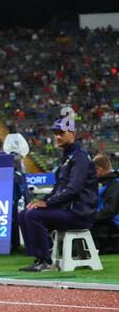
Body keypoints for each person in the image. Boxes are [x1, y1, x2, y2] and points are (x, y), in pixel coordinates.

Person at [19, 110, 98, 271]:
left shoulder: (80, 158)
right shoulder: (67, 158)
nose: (57, 136)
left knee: (33, 215)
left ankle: (46, 262)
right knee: (24, 214)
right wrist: (40, 201)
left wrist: (46, 203)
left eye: (61, 133)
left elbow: (73, 190)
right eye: (55, 133)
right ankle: (42, 256)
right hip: (68, 210)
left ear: (72, 133)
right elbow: (58, 189)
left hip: (79, 213)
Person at [93, 153, 119, 254]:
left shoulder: (115, 185)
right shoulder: (109, 184)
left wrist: (89, 217)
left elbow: (109, 211)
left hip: (111, 231)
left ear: (99, 169)